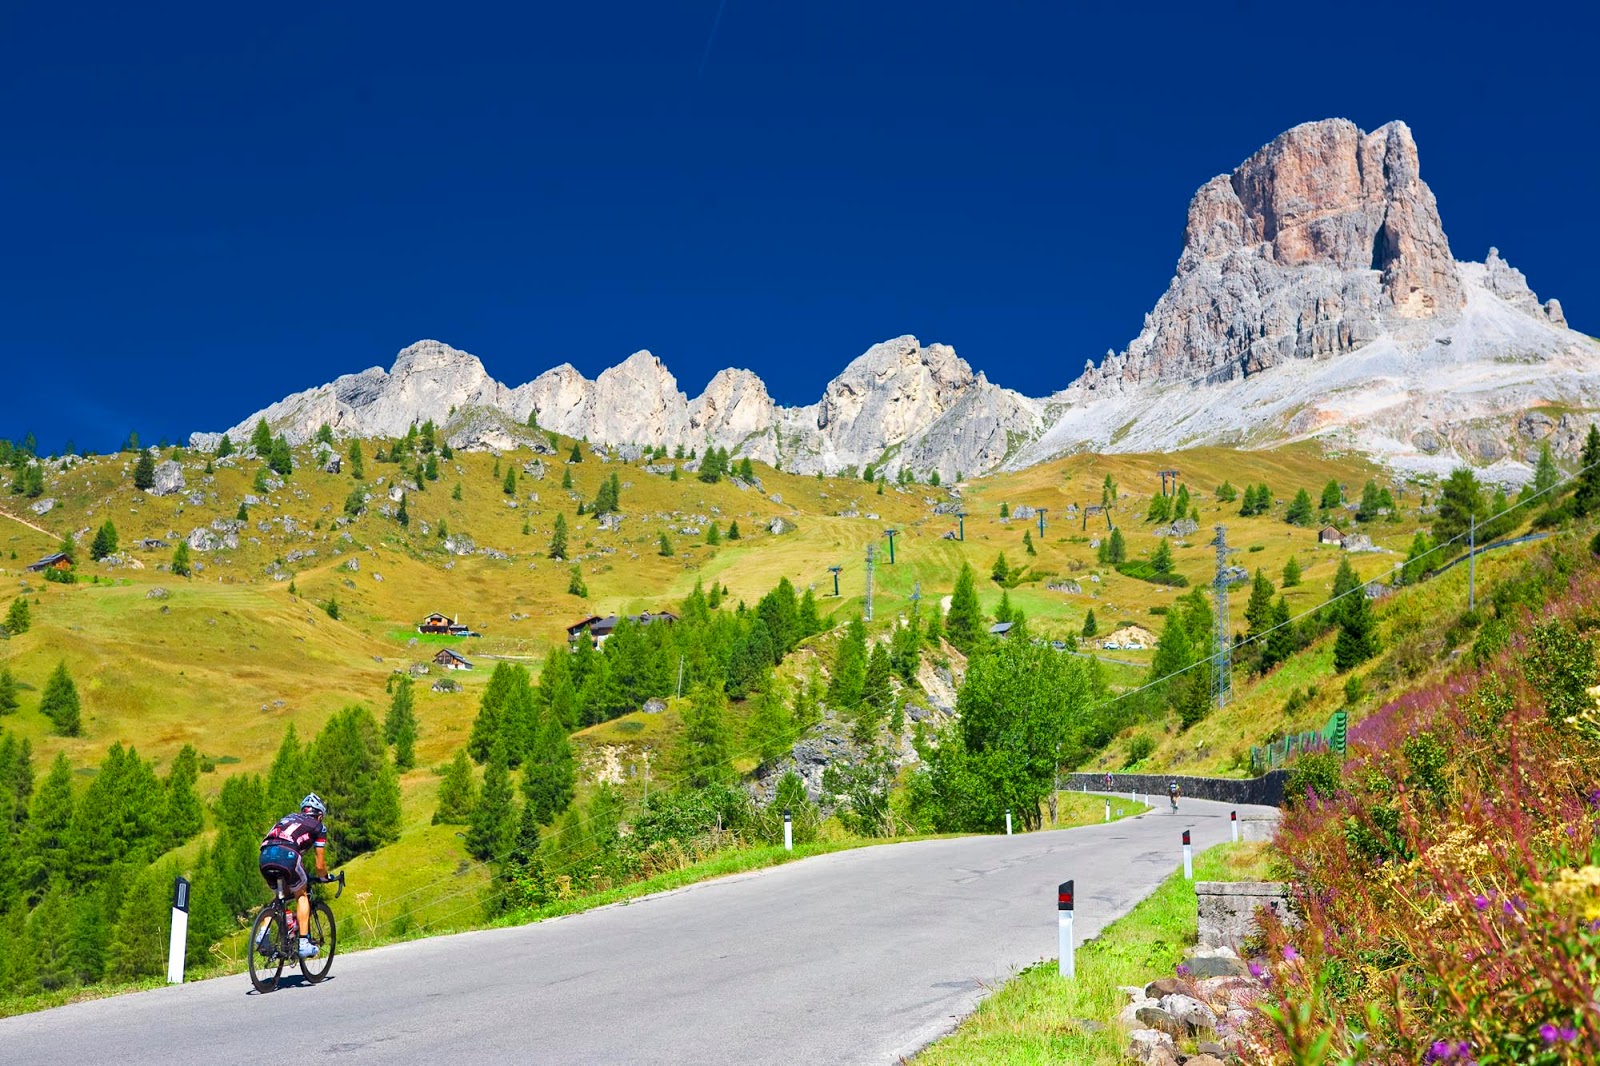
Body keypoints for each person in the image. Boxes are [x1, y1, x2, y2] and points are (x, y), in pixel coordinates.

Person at [259, 793, 329, 958]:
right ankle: (303, 943)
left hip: (265, 855)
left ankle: (263, 933)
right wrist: (325, 877)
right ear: (320, 815)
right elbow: (320, 866)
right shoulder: (319, 827)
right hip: (287, 855)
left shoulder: (287, 818)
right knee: (301, 895)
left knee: (281, 896)